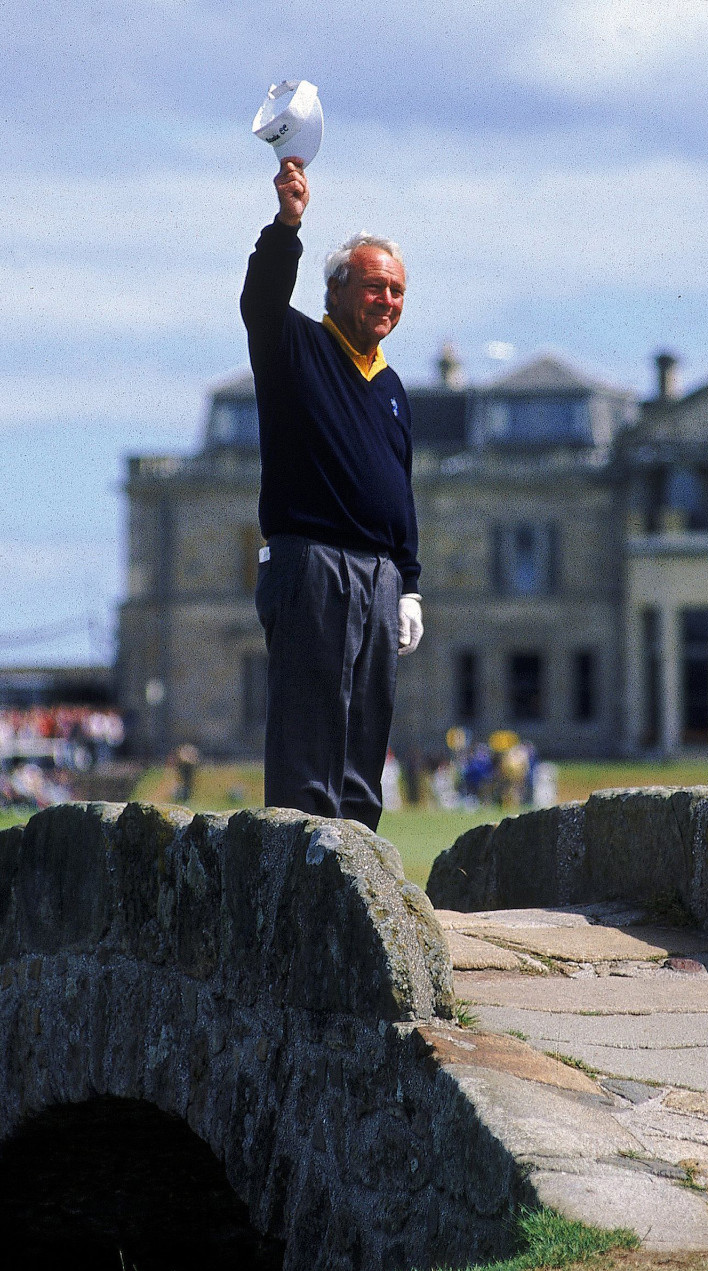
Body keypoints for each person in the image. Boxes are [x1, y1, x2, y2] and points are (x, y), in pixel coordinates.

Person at [241, 155, 423, 831]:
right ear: (338, 289)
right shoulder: (295, 345)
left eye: (399, 293)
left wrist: (408, 583)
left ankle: (358, 878)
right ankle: (299, 886)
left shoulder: (394, 387)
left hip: (378, 577)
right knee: (309, 741)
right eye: (376, 288)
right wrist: (288, 224)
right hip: (311, 562)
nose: (388, 303)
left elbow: (397, 492)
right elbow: (260, 299)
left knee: (363, 739)